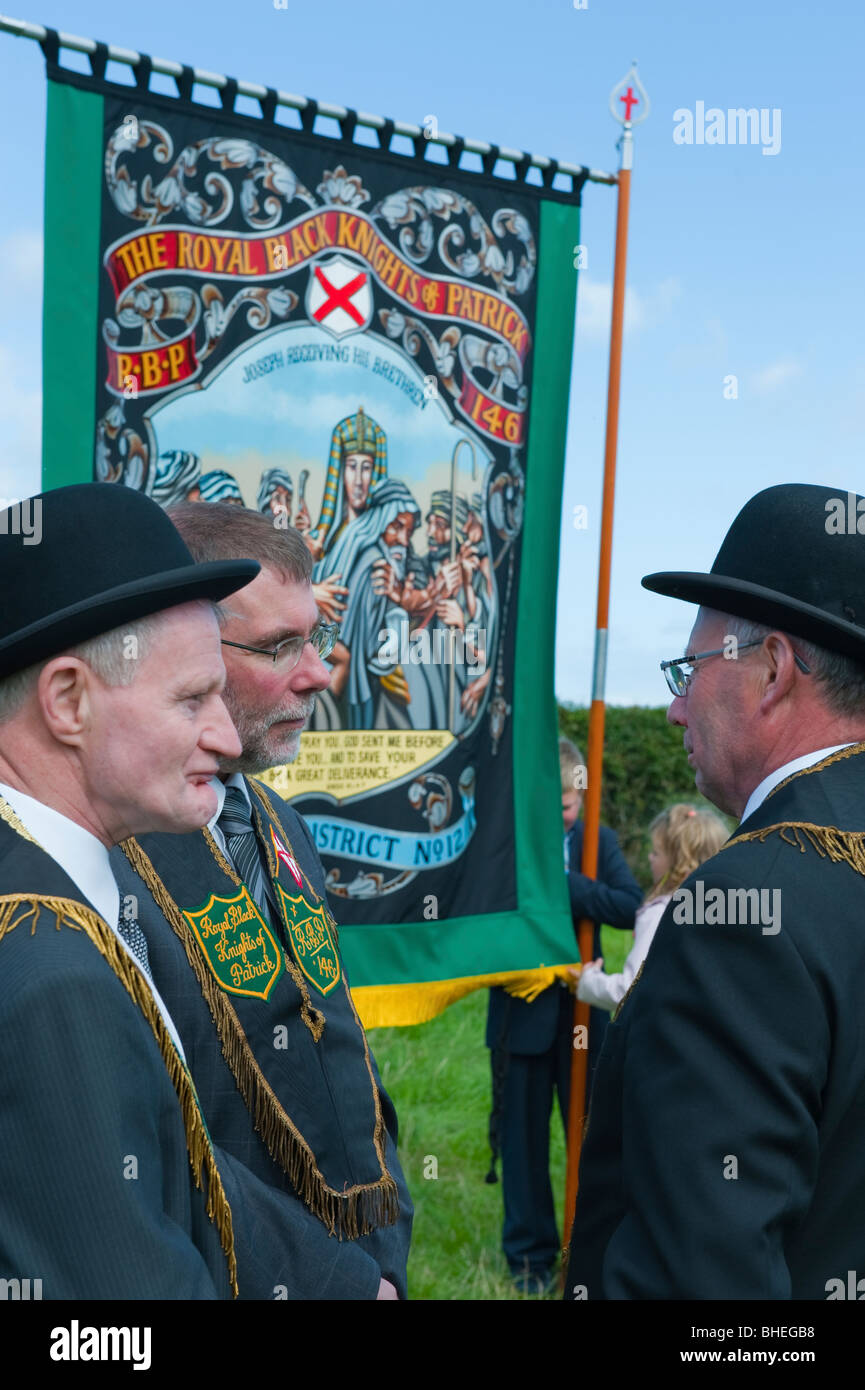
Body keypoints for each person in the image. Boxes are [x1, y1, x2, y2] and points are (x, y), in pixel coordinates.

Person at [567, 481, 865, 1300]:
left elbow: (702, 1287)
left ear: (771, 669)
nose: (671, 708)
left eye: (687, 669)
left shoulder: (741, 908)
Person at [111, 502, 413, 1299]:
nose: (317, 672)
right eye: (281, 646)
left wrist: (383, 1244)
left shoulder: (278, 821)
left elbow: (333, 1027)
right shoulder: (104, 849)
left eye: (313, 638)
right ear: (188, 647)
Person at [0, 482, 260, 1298]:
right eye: (192, 700)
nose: (225, 735)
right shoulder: (51, 975)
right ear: (67, 701)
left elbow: (172, 1158)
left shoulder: (76, 885)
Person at [487, 736, 641, 1294]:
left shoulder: (598, 840)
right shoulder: (507, 841)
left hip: (583, 1014)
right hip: (519, 1013)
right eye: (549, 809)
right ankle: (529, 1260)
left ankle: (590, 1247)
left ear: (580, 794)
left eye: (569, 808)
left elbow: (629, 906)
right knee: (522, 1142)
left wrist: (568, 887)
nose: (561, 819)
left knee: (592, 1137)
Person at [576, 804, 728, 1013]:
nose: (650, 858)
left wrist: (588, 981)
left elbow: (630, 990)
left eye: (656, 853)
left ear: (678, 862)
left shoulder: (660, 913)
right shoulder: (727, 908)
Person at [297, 407, 387, 561]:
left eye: (366, 468)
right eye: (352, 466)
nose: (358, 481)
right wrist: (301, 542)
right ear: (341, 472)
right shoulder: (320, 539)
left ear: (375, 473)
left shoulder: (387, 542)